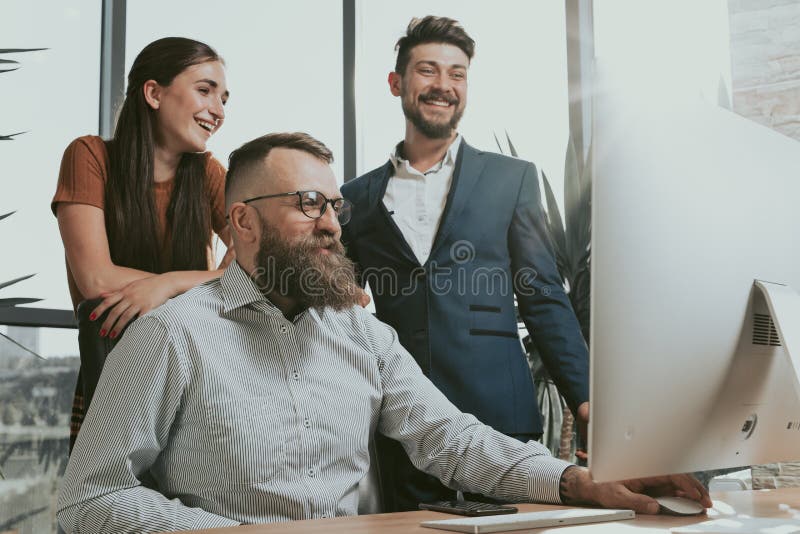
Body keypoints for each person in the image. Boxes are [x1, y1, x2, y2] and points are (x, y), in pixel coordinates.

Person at [57, 132, 711, 533]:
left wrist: (578, 482)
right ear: (242, 224)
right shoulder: (171, 336)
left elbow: (451, 440)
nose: (331, 225)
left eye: (333, 207)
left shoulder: (362, 337)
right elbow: (89, 500)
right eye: (305, 205)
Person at [340, 15, 590, 511]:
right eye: (428, 71)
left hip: (502, 413)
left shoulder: (511, 179)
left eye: (457, 74)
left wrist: (584, 398)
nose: (443, 86)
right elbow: (339, 302)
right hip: (401, 423)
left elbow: (542, 295)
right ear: (397, 83)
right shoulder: (356, 198)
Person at [51, 37, 233, 446]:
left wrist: (166, 285)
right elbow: (96, 278)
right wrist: (201, 280)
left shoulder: (208, 174)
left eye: (224, 98)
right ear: (153, 93)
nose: (218, 111)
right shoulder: (90, 156)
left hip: (196, 374)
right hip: (115, 372)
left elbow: (253, 265)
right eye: (205, 90)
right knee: (112, 503)